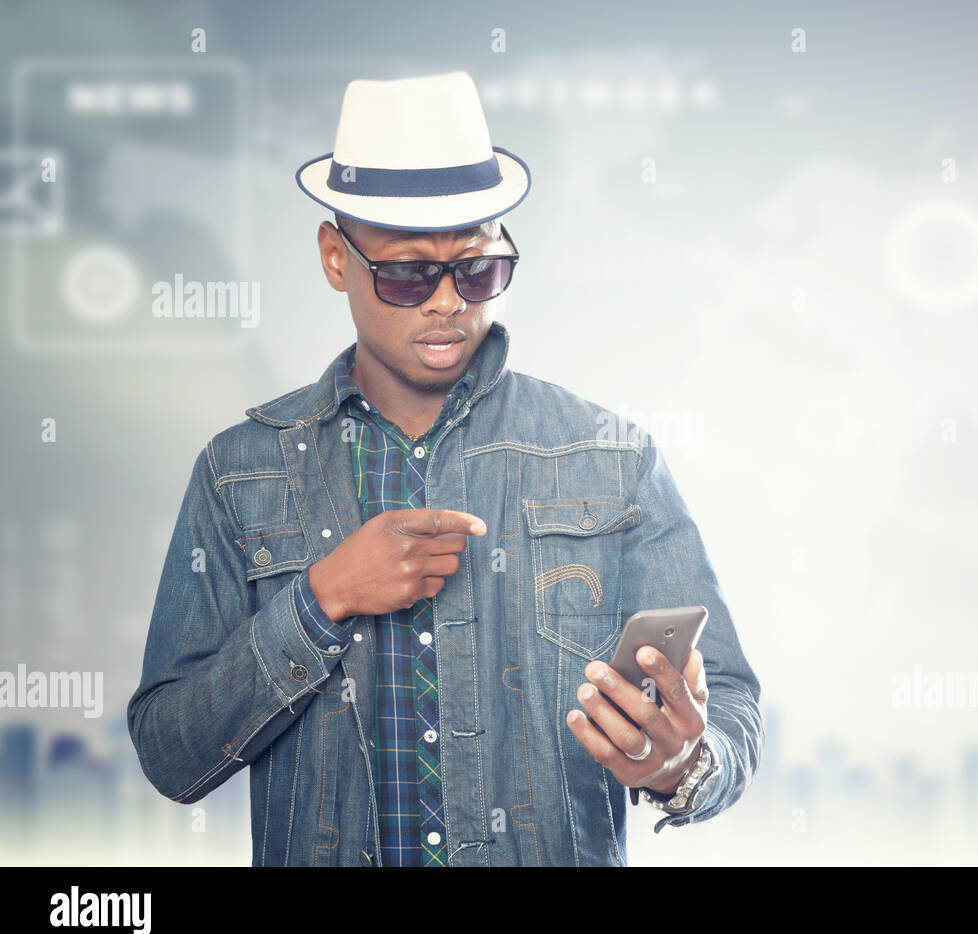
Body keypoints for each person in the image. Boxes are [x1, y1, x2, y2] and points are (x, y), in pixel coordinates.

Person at [128, 70, 763, 866]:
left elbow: (731, 703)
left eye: (477, 270)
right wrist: (322, 600)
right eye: (404, 273)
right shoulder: (238, 470)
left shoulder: (611, 456)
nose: (446, 303)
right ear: (335, 257)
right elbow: (168, 754)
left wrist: (681, 766)